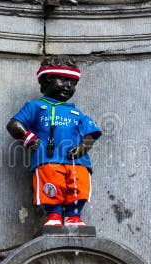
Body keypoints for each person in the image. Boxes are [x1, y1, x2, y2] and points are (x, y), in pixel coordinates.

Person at [7, 57, 102, 226]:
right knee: (51, 184)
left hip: (76, 160)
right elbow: (14, 124)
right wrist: (30, 139)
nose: (68, 86)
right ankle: (54, 215)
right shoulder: (35, 107)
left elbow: (91, 133)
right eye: (63, 80)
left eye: (72, 83)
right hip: (47, 158)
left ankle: (74, 216)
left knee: (78, 186)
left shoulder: (76, 113)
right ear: (46, 80)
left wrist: (83, 147)